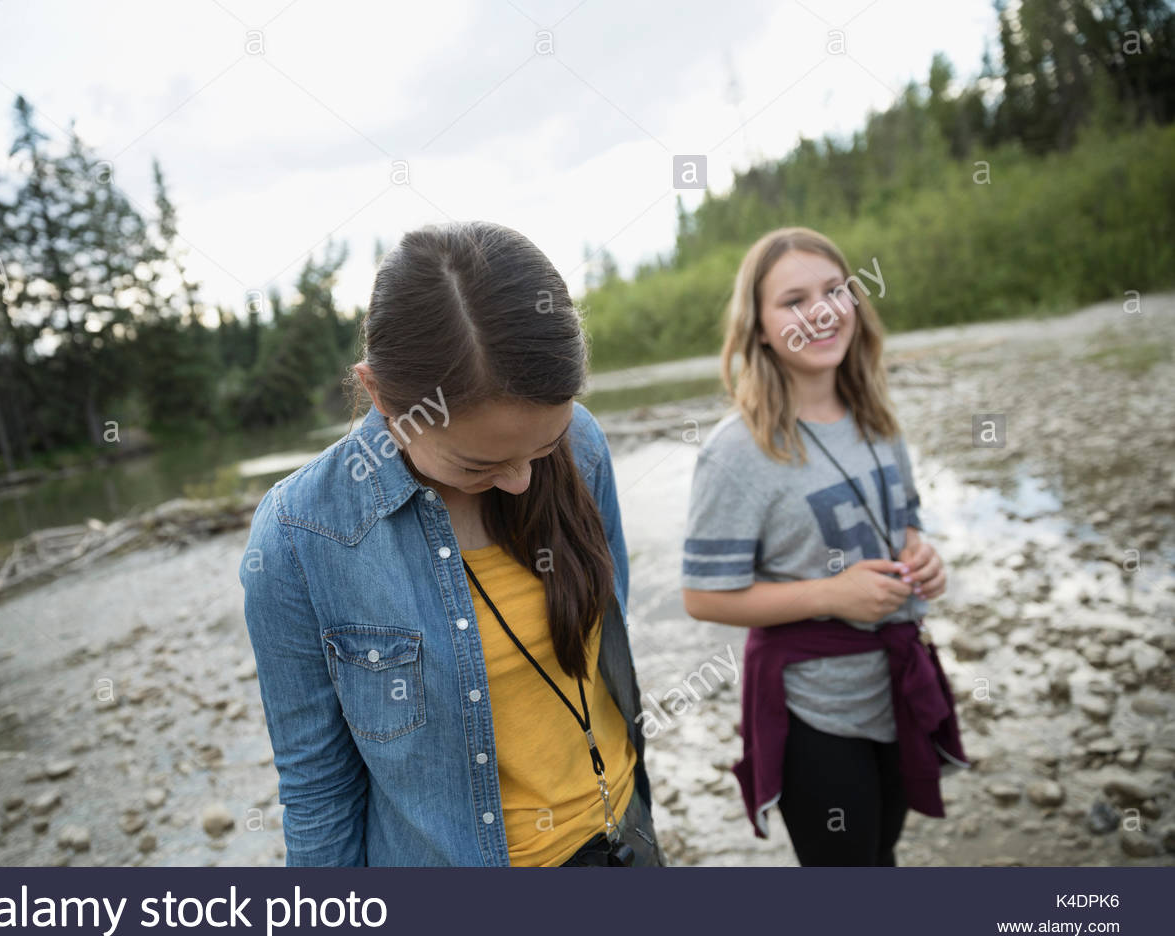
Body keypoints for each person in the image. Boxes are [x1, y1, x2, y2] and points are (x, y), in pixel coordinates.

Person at [239, 221, 665, 867]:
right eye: (477, 463)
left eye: (543, 447)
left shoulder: (584, 444)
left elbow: (610, 646)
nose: (522, 481)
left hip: (623, 839)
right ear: (381, 395)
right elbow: (316, 784)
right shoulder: (300, 538)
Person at [680, 226, 967, 866]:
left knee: (882, 854)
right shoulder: (735, 452)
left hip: (894, 686)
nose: (823, 311)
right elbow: (702, 596)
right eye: (794, 300)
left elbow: (905, 527)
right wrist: (834, 594)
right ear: (756, 326)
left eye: (836, 290)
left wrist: (924, 559)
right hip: (814, 712)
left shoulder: (876, 416)